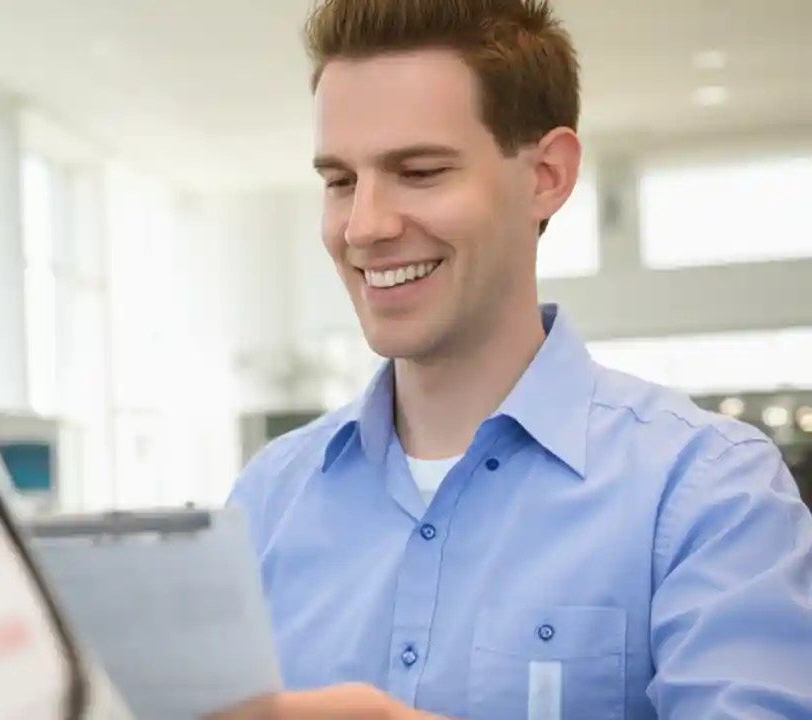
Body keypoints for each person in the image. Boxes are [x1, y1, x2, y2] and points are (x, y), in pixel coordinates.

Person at [213, 0, 812, 717]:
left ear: (547, 175)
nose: (364, 227)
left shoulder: (710, 492)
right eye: (340, 181)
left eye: (421, 171)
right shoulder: (266, 501)